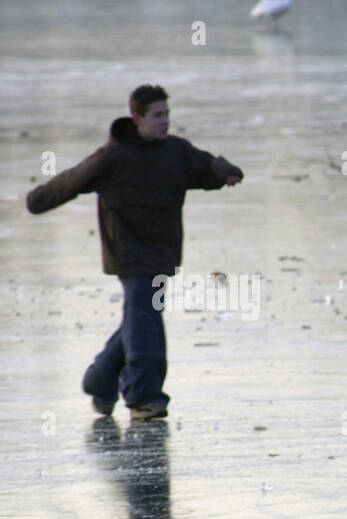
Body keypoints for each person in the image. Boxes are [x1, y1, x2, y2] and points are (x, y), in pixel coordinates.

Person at [26, 84, 243, 421]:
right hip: (127, 252)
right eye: (157, 116)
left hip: (161, 251)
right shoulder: (113, 157)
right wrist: (37, 199)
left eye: (167, 114)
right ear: (137, 118)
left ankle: (99, 381)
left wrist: (226, 172)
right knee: (144, 314)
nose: (165, 121)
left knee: (139, 318)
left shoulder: (176, 152)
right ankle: (143, 396)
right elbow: (72, 179)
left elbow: (206, 165)